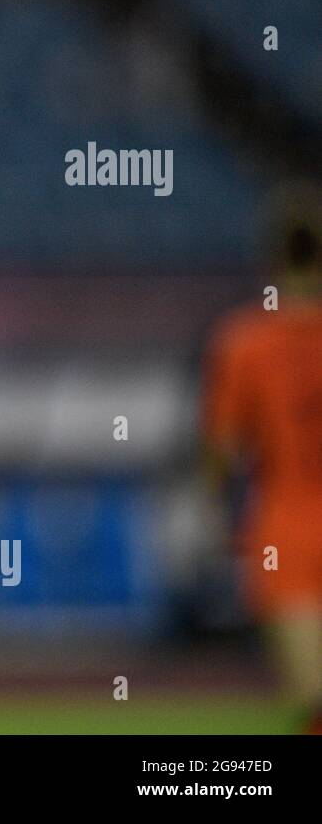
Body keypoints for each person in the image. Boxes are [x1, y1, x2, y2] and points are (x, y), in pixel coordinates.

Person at [203, 210, 322, 734]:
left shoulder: (243, 341)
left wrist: (219, 520)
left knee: (315, 703)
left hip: (283, 532)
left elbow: (222, 452)